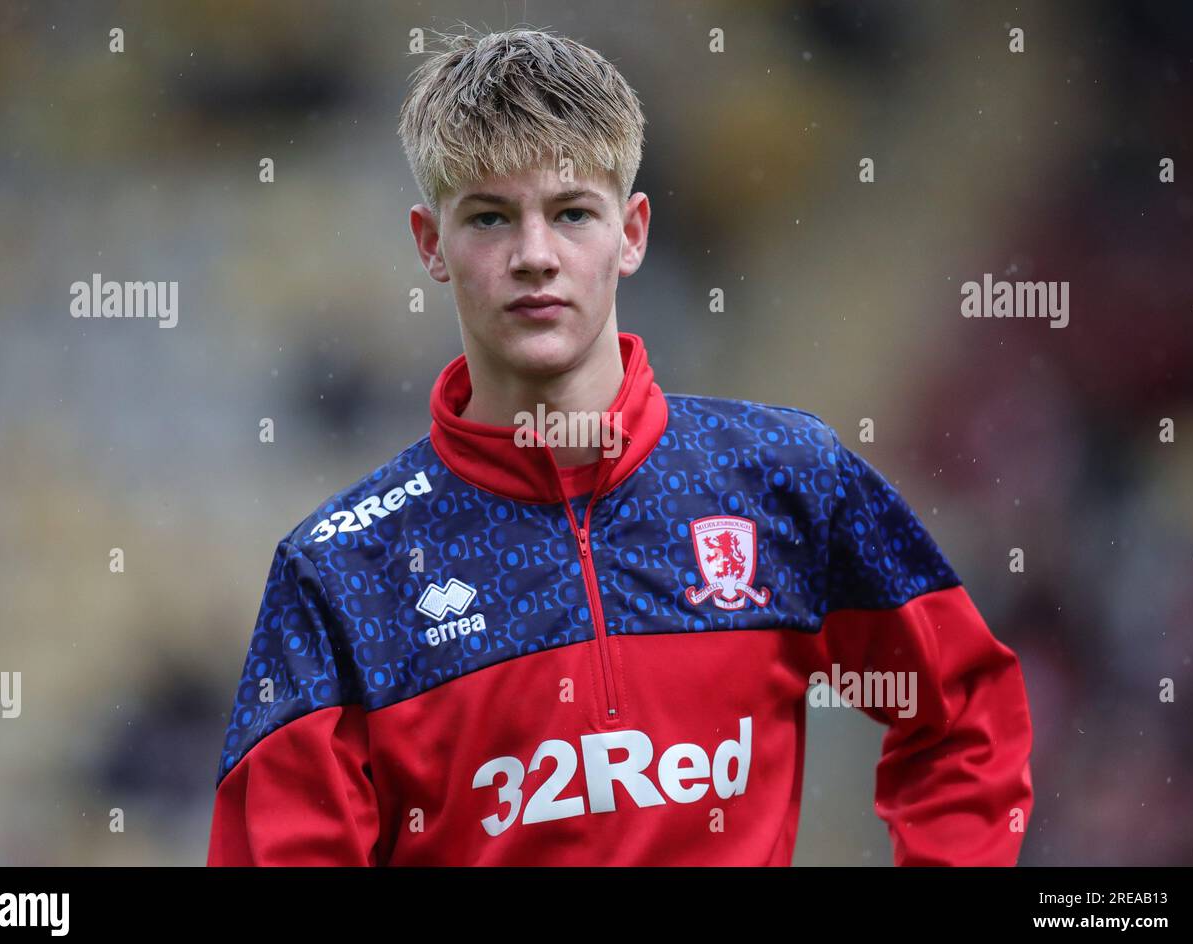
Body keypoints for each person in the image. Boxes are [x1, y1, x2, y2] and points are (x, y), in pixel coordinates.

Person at [206, 27, 1034, 866]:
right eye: (490, 217)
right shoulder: (342, 574)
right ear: (431, 244)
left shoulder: (783, 480)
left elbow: (964, 713)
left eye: (571, 213)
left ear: (631, 232)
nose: (536, 257)